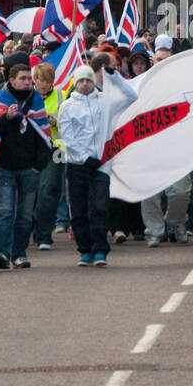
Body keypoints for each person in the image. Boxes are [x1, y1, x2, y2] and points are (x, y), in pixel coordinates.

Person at [0, 53, 53, 269]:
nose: (28, 82)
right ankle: (1, 253)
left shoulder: (36, 101)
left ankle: (19, 254)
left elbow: (44, 136)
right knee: (5, 212)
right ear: (12, 79)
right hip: (6, 165)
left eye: (29, 78)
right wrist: (7, 117)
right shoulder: (1, 99)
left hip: (30, 168)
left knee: (25, 215)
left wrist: (38, 165)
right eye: (23, 78)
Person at [57, 65, 115, 266]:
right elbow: (67, 137)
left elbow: (111, 127)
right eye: (81, 81)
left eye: (88, 80)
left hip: (101, 164)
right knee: (79, 208)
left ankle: (100, 250)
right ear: (75, 83)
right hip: (77, 164)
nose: (84, 84)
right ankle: (85, 250)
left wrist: (114, 78)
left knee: (100, 206)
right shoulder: (67, 106)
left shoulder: (104, 101)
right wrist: (84, 157)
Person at [31, 61, 70, 250]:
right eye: (40, 80)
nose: (44, 84)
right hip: (33, 150)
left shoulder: (62, 96)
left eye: (47, 80)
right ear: (34, 80)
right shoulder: (28, 97)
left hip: (57, 149)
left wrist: (56, 122)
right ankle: (34, 230)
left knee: (50, 191)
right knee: (32, 192)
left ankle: (44, 235)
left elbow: (69, 125)